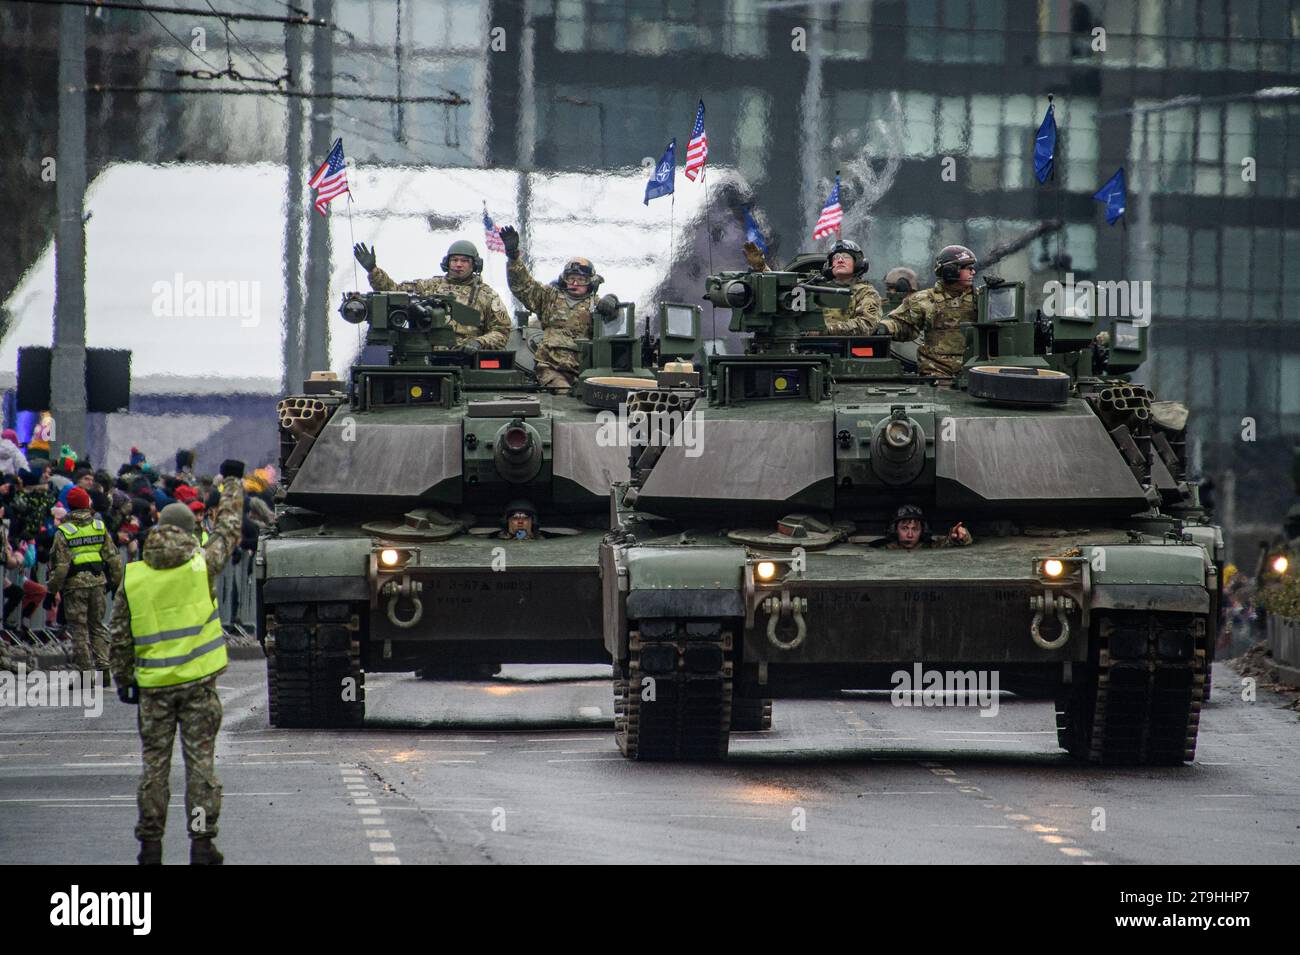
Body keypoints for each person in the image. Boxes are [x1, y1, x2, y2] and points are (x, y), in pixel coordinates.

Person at [109, 459, 244, 866]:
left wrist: (123, 680)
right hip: (199, 686)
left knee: (154, 767)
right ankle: (201, 844)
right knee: (200, 766)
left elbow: (120, 636)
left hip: (153, 689)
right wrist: (233, 484)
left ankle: (151, 846)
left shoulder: (135, 576)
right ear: (189, 531)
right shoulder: (202, 565)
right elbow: (229, 529)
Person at [498, 225, 620, 392]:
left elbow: (616, 328)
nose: (575, 283)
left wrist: (613, 301)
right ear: (564, 279)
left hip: (584, 371)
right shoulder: (550, 297)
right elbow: (523, 286)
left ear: (591, 282)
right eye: (571, 278)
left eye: (581, 279)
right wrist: (513, 257)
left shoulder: (597, 305)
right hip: (550, 367)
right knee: (564, 398)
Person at [352, 239, 510, 351]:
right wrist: (373, 270)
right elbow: (394, 291)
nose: (458, 265)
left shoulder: (487, 295)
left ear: (474, 264)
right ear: (447, 263)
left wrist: (479, 342)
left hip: (466, 358)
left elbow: (501, 331)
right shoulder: (429, 287)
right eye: (454, 260)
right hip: (426, 354)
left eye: (464, 261)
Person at [47, 486, 122, 675]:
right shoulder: (99, 527)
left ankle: (86, 673)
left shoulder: (64, 531)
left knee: (79, 630)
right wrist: (116, 582)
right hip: (98, 584)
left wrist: (52, 589)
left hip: (74, 587)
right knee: (97, 626)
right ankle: (104, 669)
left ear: (70, 506)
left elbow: (61, 567)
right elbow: (113, 558)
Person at [875, 245, 978, 377]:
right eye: (968, 268)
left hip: (976, 372)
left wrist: (998, 293)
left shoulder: (981, 298)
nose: (973, 272)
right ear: (951, 271)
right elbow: (902, 324)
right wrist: (884, 327)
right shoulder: (923, 299)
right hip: (935, 373)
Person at [875, 504, 972, 550]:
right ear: (895, 529)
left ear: (922, 531)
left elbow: (947, 543)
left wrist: (958, 537)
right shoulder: (884, 549)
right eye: (904, 528)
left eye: (915, 529)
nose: (910, 535)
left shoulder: (930, 547)